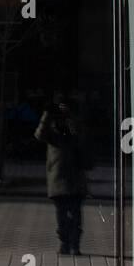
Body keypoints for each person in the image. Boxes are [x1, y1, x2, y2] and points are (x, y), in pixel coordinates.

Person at [35, 92, 88, 256]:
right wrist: (47, 115)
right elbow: (39, 135)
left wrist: (70, 118)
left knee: (75, 213)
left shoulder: (74, 122)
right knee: (62, 214)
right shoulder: (51, 126)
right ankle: (65, 243)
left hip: (74, 175)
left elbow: (81, 137)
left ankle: (74, 244)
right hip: (58, 176)